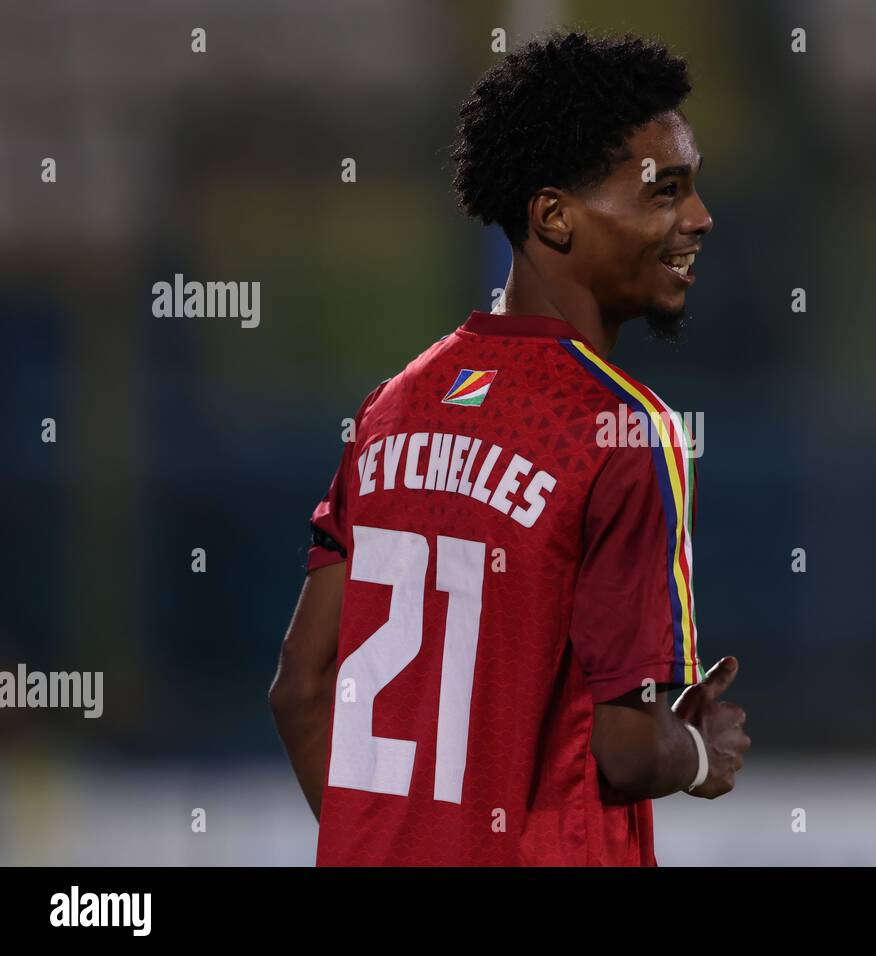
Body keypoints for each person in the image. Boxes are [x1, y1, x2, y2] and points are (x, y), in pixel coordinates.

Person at [270, 30, 748, 866]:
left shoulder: (390, 409)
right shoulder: (628, 430)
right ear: (554, 215)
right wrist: (701, 752)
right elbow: (622, 748)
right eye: (663, 191)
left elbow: (301, 692)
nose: (699, 218)